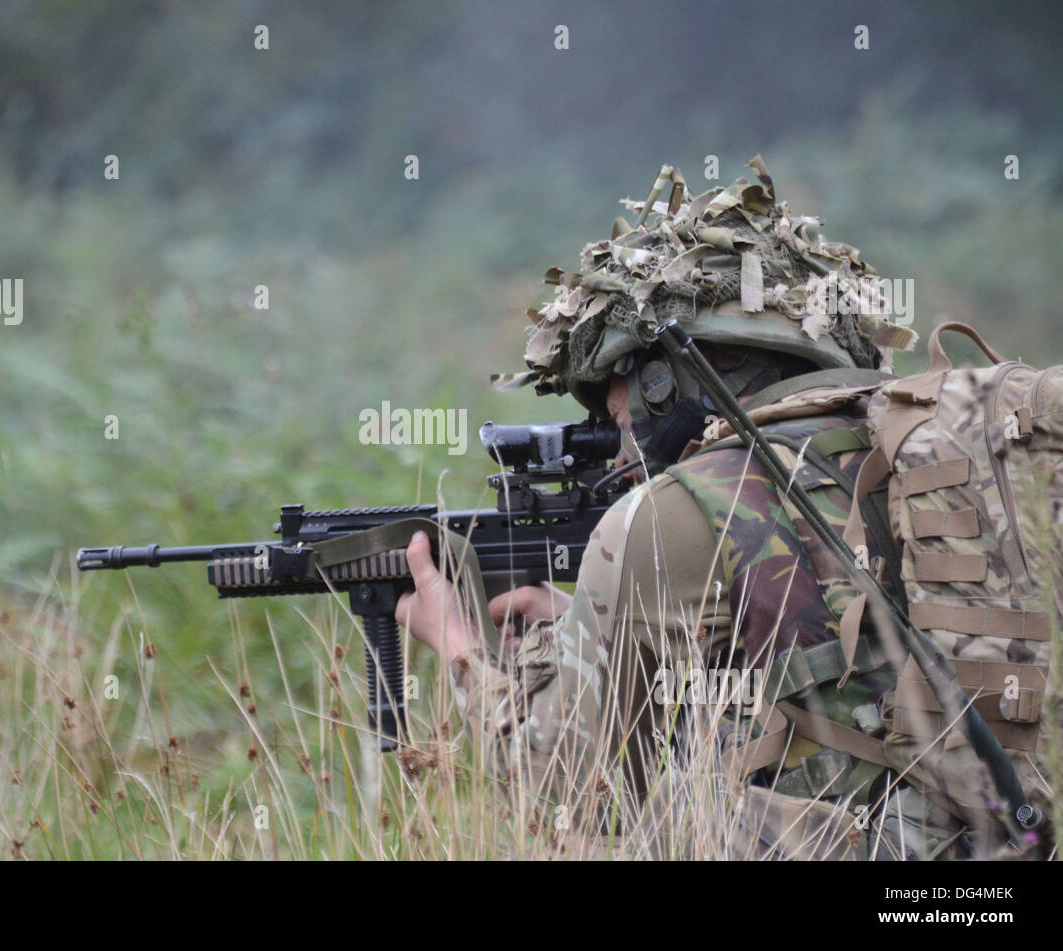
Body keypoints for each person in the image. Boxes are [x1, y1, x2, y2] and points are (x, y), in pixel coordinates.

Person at [394, 157, 989, 860]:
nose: (608, 419)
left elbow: (570, 781)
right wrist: (592, 628)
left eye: (611, 388)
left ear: (661, 380)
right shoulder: (923, 450)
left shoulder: (671, 512)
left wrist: (460, 646)